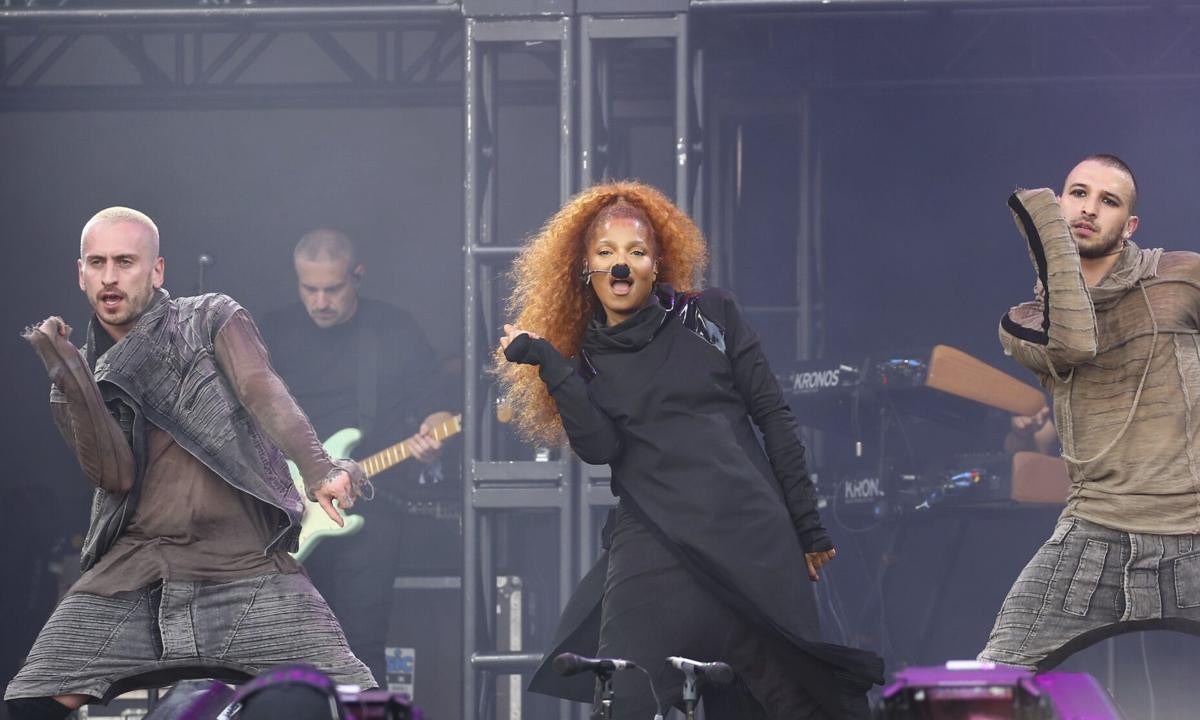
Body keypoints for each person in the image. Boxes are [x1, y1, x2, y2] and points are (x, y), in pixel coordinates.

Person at [495, 182, 883, 719]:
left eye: (636, 252)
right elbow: (600, 447)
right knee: (626, 700)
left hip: (748, 534)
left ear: (658, 262)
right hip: (656, 541)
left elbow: (773, 414)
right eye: (606, 253)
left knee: (785, 705)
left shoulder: (710, 315)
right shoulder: (582, 355)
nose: (621, 265)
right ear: (585, 266)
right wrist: (551, 364)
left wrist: (806, 524)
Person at [5, 208, 374, 720]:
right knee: (27, 702)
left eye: (126, 261)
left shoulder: (209, 317)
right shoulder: (76, 378)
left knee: (326, 700)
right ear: (81, 273)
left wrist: (317, 469)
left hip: (245, 568)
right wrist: (73, 381)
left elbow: (262, 392)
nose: (110, 276)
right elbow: (114, 477)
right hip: (135, 572)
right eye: (98, 262)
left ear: (156, 271)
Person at [981, 154, 1200, 669]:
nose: (1089, 209)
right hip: (1095, 535)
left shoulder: (1184, 275)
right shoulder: (1023, 321)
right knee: (992, 678)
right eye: (1077, 194)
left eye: (1108, 200)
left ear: (1130, 225)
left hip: (1194, 526)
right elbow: (1075, 344)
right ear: (1057, 207)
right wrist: (1047, 235)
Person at [259, 228, 451, 686]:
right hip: (286, 514)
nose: (321, 301)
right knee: (281, 649)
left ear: (357, 276)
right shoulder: (272, 334)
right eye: (310, 289)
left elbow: (436, 397)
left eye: (333, 288)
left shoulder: (394, 330)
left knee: (360, 646)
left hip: (370, 507)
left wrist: (435, 426)